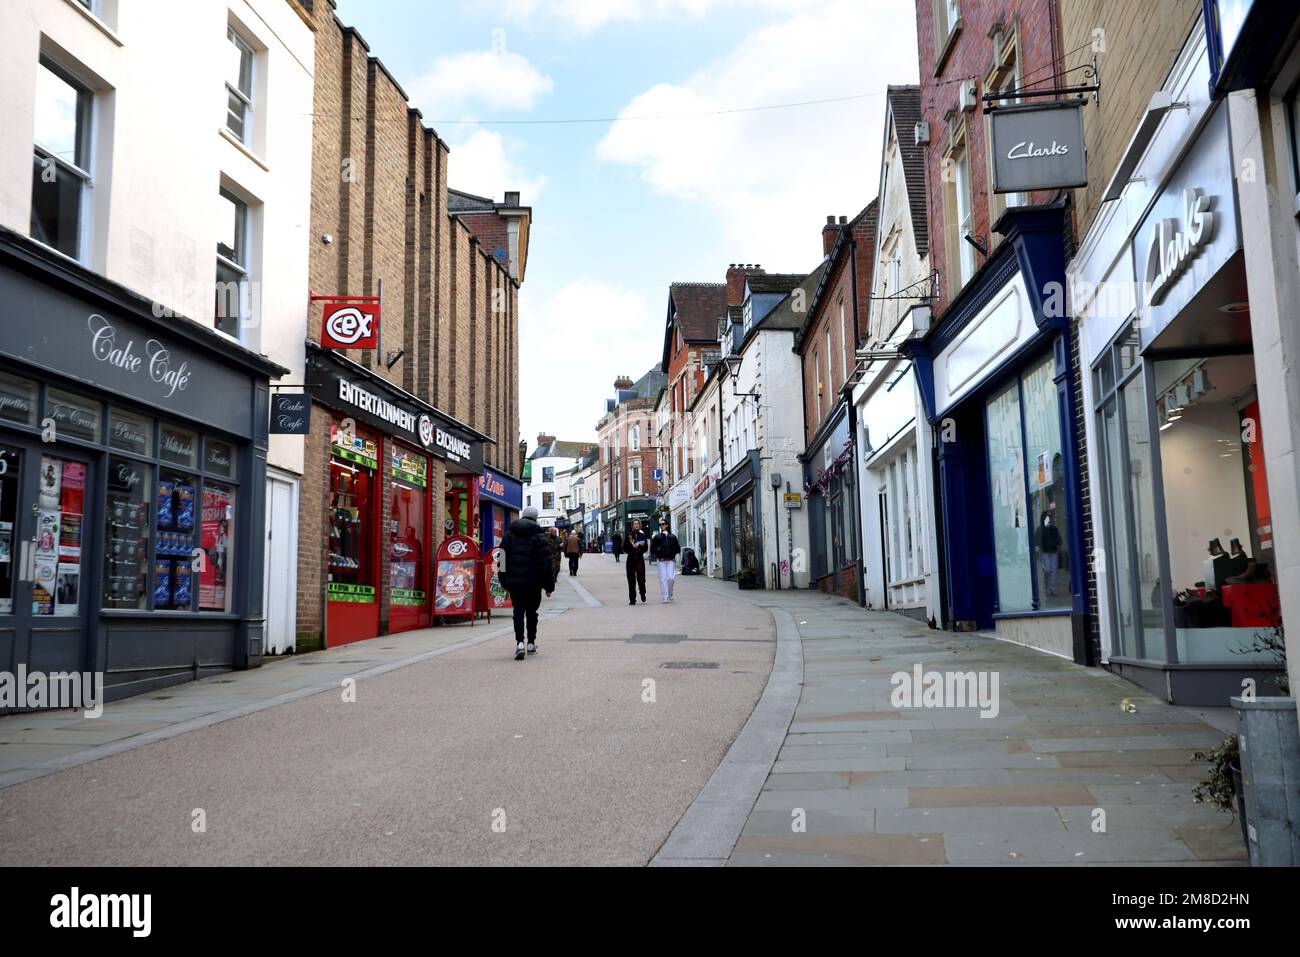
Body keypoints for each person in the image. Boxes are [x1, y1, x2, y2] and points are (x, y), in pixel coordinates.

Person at [499, 505, 554, 659]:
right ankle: (530, 642)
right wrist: (549, 586)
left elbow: (501, 558)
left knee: (518, 612)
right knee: (532, 612)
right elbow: (546, 563)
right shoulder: (539, 536)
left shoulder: (509, 534)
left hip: (515, 583)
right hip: (534, 582)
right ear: (535, 519)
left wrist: (503, 580)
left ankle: (519, 643)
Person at [650, 519, 681, 603]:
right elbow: (652, 550)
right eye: (660, 525)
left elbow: (678, 549)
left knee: (671, 578)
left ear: (667, 525)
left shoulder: (673, 537)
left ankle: (670, 593)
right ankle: (665, 596)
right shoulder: (657, 537)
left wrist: (673, 551)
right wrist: (658, 550)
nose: (661, 526)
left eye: (663, 524)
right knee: (663, 579)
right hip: (661, 560)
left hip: (671, 560)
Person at [1035, 511, 1062, 597]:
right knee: (1047, 570)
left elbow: (1059, 540)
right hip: (1045, 552)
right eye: (1047, 518)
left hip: (1053, 551)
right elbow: (1037, 540)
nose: (1049, 519)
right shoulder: (1040, 529)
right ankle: (1046, 587)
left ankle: (1053, 590)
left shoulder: (1054, 528)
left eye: (1049, 518)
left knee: (1053, 571)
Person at [624, 520, 648, 605]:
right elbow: (625, 548)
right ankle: (632, 599)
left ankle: (642, 593)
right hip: (630, 559)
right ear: (632, 526)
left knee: (641, 579)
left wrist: (639, 546)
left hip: (639, 559)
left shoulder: (642, 536)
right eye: (635, 524)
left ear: (640, 525)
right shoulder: (628, 535)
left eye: (638, 524)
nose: (636, 525)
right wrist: (632, 546)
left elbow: (646, 548)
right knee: (631, 580)